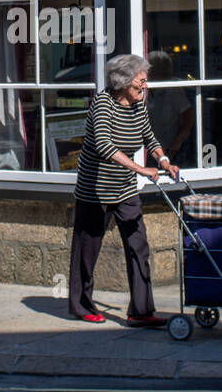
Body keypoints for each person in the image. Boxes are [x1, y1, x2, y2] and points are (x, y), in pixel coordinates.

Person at [69, 54, 180, 326]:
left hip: (125, 189)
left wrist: (163, 160)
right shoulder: (102, 104)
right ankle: (81, 306)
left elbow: (147, 135)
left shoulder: (138, 104)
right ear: (123, 83)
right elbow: (105, 146)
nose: (144, 86)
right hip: (95, 190)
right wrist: (141, 169)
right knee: (87, 250)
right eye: (139, 82)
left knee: (138, 246)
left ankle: (141, 311)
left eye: (145, 81)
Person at [146, 51, 193, 167]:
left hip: (169, 150)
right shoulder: (146, 87)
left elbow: (188, 116)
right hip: (148, 149)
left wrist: (176, 143)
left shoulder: (172, 87)